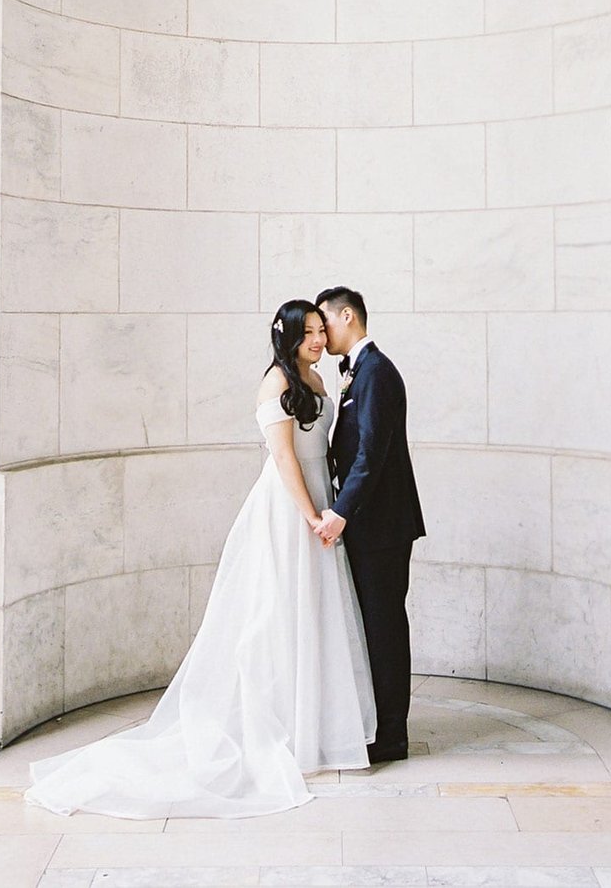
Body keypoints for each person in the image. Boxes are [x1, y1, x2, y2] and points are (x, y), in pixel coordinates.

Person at [25, 301, 375, 818]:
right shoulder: (275, 386)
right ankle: (275, 724)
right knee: (273, 614)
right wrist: (311, 517)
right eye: (308, 335)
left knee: (315, 614)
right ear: (287, 339)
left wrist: (332, 510)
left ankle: (314, 727)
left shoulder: (321, 385)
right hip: (288, 507)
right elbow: (283, 460)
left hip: (321, 502)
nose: (318, 342)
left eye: (321, 332)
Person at [314, 286, 426, 764]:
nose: (321, 334)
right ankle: (380, 722)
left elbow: (371, 455)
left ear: (348, 316)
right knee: (374, 627)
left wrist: (339, 512)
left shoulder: (377, 372)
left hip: (382, 527)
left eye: (325, 323)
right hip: (369, 525)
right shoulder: (357, 372)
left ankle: (393, 735)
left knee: (384, 628)